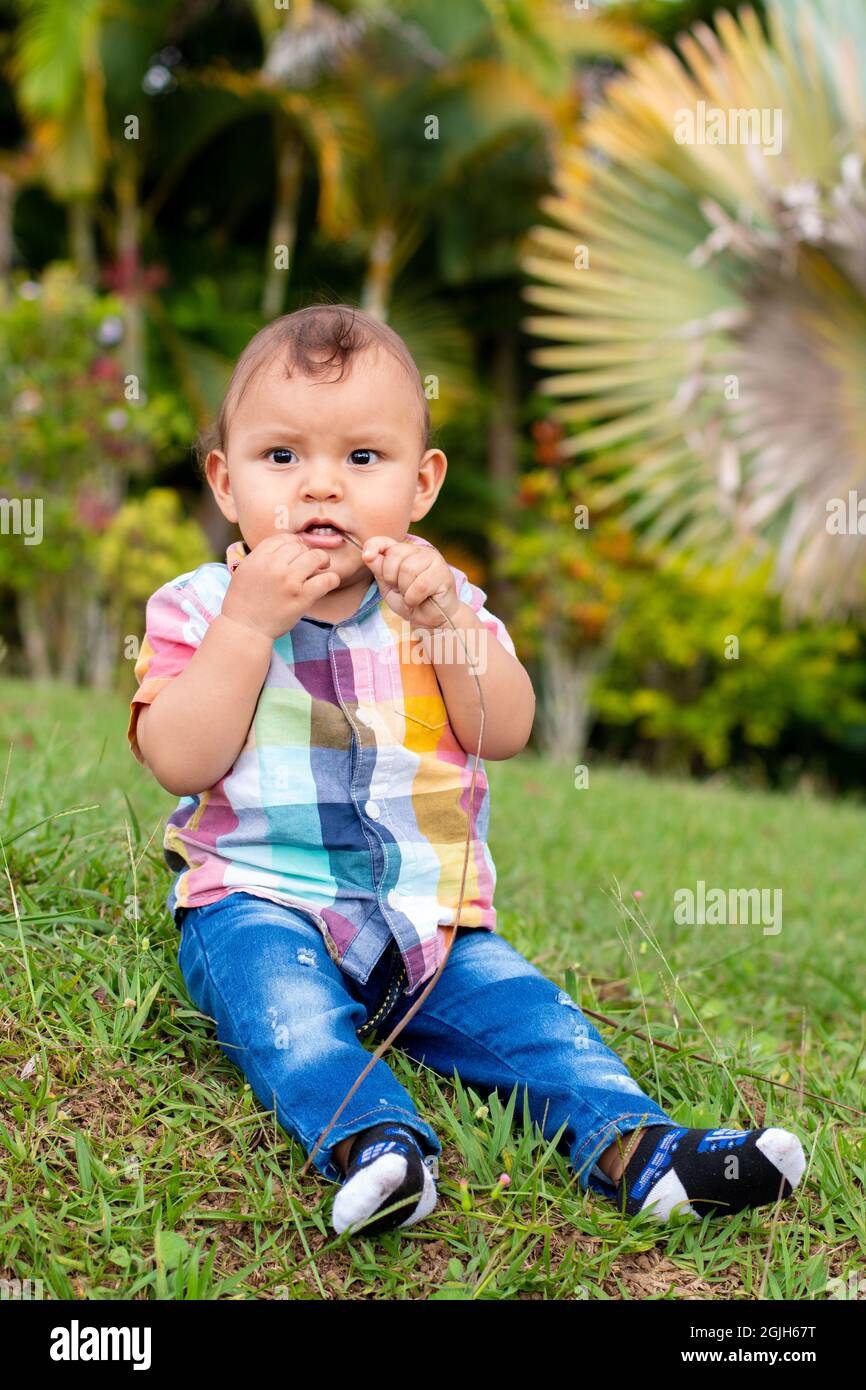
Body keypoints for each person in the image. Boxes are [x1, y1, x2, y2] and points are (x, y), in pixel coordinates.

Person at [127, 303, 806, 1239]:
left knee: (538, 1021)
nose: (320, 485)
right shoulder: (201, 608)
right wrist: (248, 628)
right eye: (281, 457)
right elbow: (178, 755)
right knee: (285, 1015)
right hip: (256, 899)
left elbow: (506, 728)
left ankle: (646, 1152)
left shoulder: (439, 605)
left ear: (422, 483)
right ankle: (377, 1146)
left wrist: (447, 617)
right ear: (224, 481)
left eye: (363, 459)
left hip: (429, 923)